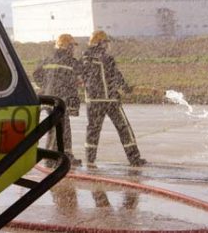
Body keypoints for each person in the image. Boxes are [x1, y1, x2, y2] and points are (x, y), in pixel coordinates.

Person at [81, 30, 147, 167]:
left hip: (94, 102)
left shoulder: (85, 57)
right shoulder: (105, 58)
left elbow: (83, 76)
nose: (107, 45)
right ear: (100, 42)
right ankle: (134, 158)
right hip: (110, 100)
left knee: (93, 130)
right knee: (124, 128)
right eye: (105, 42)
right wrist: (125, 87)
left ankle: (90, 159)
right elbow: (116, 75)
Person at [32, 33, 83, 166]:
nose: (73, 49)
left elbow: (36, 74)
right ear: (66, 46)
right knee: (59, 128)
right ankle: (51, 158)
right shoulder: (70, 62)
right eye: (72, 46)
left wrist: (46, 86)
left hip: (51, 99)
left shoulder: (48, 59)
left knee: (60, 128)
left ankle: (64, 154)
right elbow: (74, 81)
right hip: (60, 100)